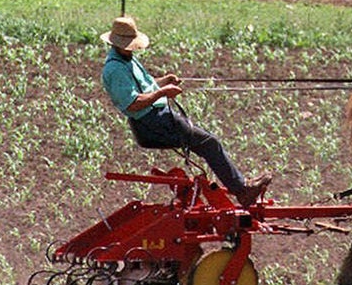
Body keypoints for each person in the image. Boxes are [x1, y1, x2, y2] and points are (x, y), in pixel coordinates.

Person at [100, 15, 271, 207]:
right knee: (209, 143)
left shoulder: (127, 60)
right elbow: (132, 103)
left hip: (160, 118)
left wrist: (164, 81)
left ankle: (241, 186)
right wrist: (163, 92)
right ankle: (242, 190)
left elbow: (144, 87)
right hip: (151, 124)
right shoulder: (115, 70)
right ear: (117, 44)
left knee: (206, 143)